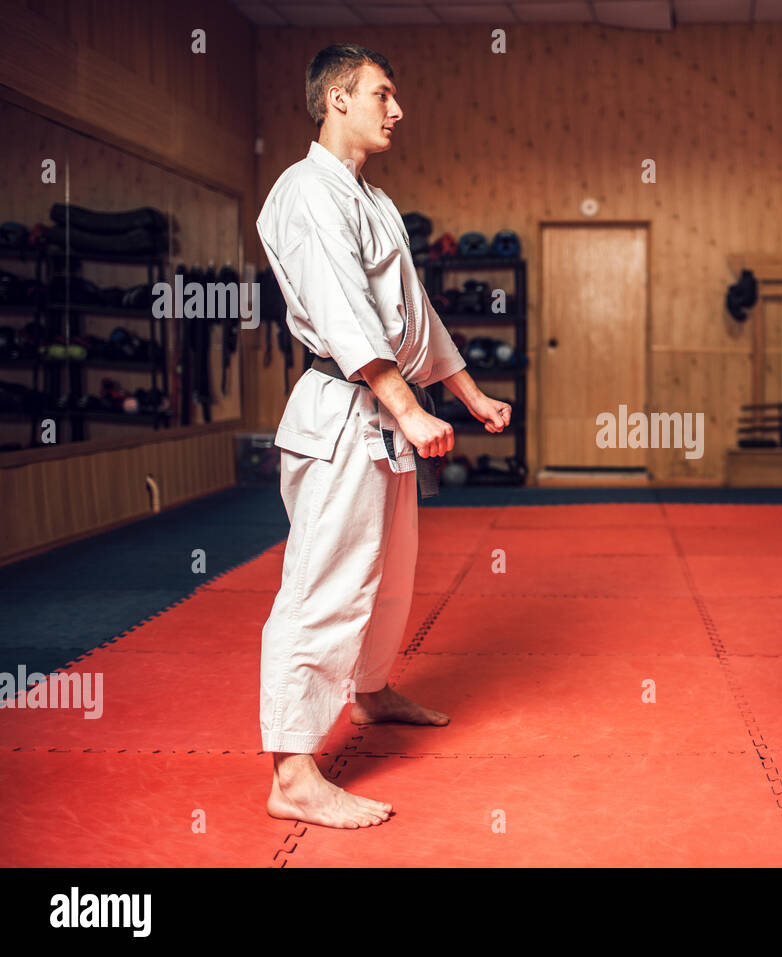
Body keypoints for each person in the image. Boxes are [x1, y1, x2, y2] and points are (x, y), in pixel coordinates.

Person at [256, 43, 511, 828]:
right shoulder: (306, 193)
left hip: (381, 414)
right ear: (337, 98)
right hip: (342, 411)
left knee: (390, 570)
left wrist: (467, 392)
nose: (396, 110)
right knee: (325, 583)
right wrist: (408, 407)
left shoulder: (374, 201)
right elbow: (342, 313)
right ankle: (293, 771)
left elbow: (416, 312)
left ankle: (369, 691)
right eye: (382, 94)